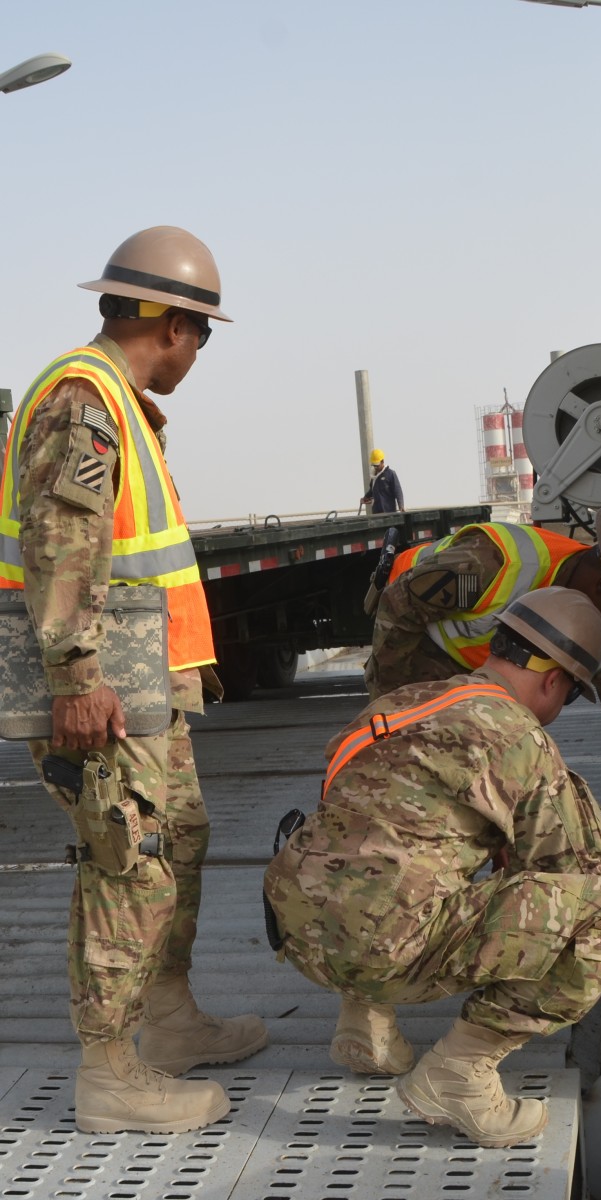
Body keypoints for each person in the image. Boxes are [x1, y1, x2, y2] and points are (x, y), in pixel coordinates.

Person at [264, 587, 601, 1148]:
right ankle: (458, 1072)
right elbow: (587, 881)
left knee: (396, 855)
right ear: (553, 680)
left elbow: (366, 826)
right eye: (572, 695)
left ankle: (365, 1022)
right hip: (378, 947)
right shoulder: (518, 738)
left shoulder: (403, 702)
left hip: (298, 931)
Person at [0, 227, 267, 1135]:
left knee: (177, 839)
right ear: (173, 322)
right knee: (129, 861)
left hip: (144, 689)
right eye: (202, 332)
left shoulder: (115, 402)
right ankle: (111, 1073)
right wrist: (75, 676)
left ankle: (168, 1020)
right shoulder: (83, 401)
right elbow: (60, 543)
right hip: (101, 693)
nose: (198, 352)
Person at [364, 510, 601, 861]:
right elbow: (399, 609)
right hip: (418, 638)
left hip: (483, 672)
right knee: (421, 762)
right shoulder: (495, 565)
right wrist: (396, 720)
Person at [359, 447, 404, 514]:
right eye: (374, 465)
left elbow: (398, 491)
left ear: (382, 461)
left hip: (389, 512)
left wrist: (401, 506)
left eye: (377, 465)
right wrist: (365, 497)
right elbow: (372, 490)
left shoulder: (390, 474)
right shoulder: (374, 477)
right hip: (376, 513)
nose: (375, 467)